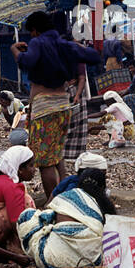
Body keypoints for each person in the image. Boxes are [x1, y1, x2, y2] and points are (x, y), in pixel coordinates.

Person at [13, 11, 101, 200]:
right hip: (63, 107)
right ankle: (68, 197)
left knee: (45, 162)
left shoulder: (37, 42)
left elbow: (27, 61)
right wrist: (73, 46)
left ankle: (54, 201)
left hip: (45, 109)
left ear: (35, 30)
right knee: (57, 155)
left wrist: (15, 51)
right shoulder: (63, 44)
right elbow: (93, 56)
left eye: (32, 33)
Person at [16, 152, 114, 268]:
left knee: (29, 217)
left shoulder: (69, 192)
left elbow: (49, 207)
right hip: (91, 261)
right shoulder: (100, 201)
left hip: (51, 261)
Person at [0, 145, 39, 254]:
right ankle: (17, 247)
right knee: (26, 203)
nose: (34, 170)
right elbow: (16, 221)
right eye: (31, 166)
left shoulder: (2, 180)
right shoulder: (12, 187)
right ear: (20, 169)